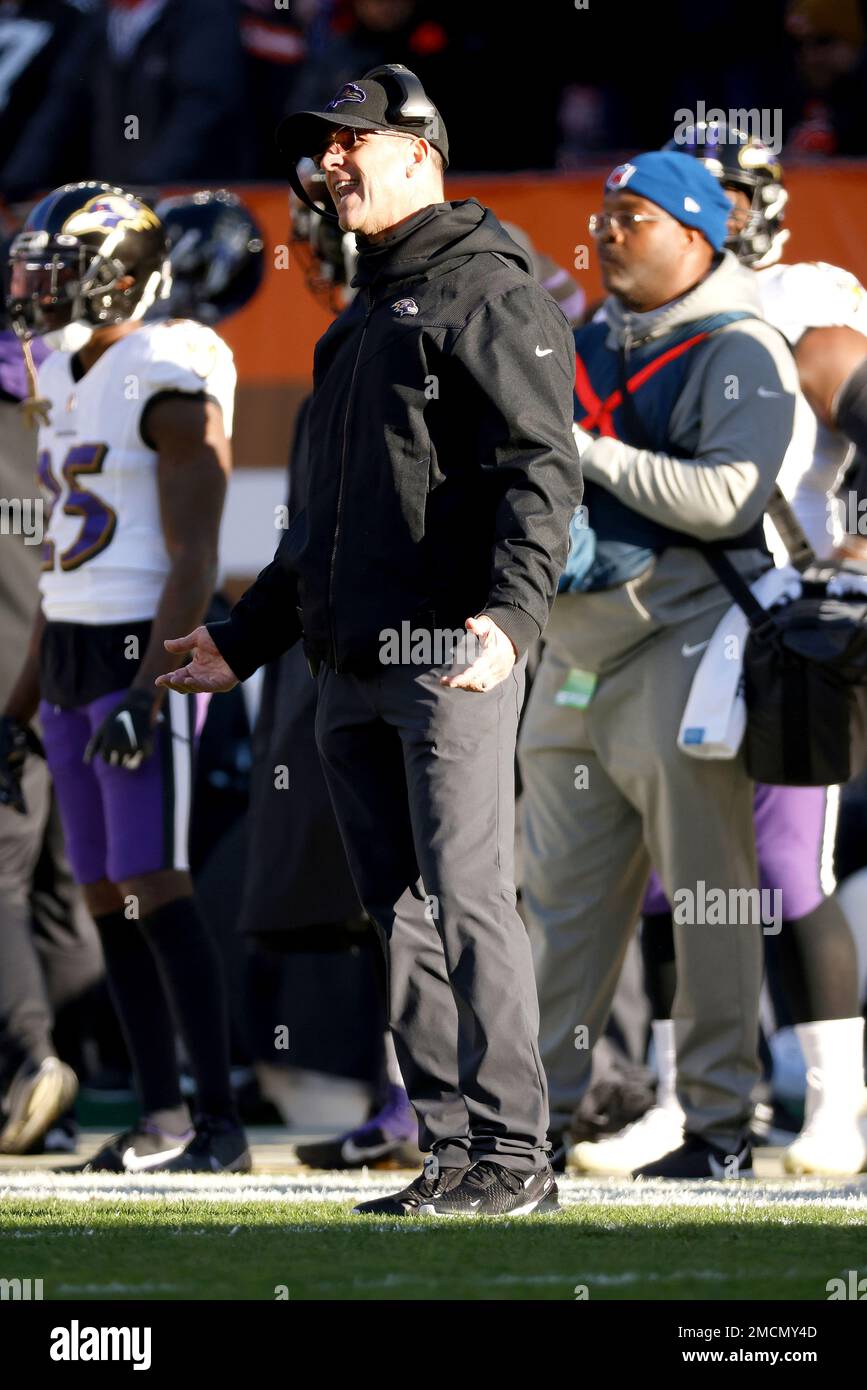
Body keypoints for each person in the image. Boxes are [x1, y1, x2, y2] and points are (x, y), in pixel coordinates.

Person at [158, 65, 580, 1217]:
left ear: (419, 149)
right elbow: (325, 528)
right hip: (350, 665)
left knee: (469, 897)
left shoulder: (488, 289)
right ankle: (450, 1152)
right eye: (322, 144)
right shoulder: (362, 320)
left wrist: (512, 615)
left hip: (450, 654)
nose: (329, 161)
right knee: (400, 913)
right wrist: (243, 642)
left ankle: (514, 1157)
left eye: (352, 139)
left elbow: (546, 469)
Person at [572, 126, 867, 1179]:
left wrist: (859, 544)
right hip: (668, 614)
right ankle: (675, 1094)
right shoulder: (630, 317)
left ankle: (840, 1105)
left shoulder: (793, 304)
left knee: (787, 867)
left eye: (725, 197)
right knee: (669, 870)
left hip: (782, 609)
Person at [518, 150, 799, 1180]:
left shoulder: (741, 345)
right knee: (554, 905)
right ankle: (527, 1123)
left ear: (696, 234)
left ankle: (721, 1125)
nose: (604, 231)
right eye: (601, 212)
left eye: (630, 216)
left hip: (683, 638)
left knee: (711, 895)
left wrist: (580, 450)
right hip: (573, 645)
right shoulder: (588, 337)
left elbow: (728, 497)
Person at [0, 182, 248, 1174]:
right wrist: (16, 710)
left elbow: (197, 549)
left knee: (158, 882)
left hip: (141, 645)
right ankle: (157, 1117)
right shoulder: (57, 366)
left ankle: (218, 1123)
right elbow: (59, 563)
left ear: (127, 279)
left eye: (62, 269)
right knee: (107, 894)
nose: (38, 286)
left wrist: (154, 687)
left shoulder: (170, 362)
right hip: (66, 650)